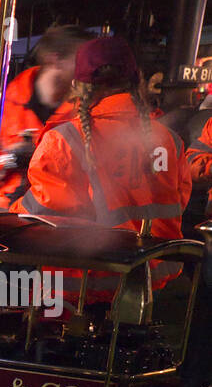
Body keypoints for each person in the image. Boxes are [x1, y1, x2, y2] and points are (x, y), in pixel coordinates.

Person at [12, 34, 191, 241]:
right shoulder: (170, 140)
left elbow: (36, 216)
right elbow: (180, 200)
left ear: (77, 85)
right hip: (161, 269)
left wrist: (6, 213)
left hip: (89, 271)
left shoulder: (62, 141)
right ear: (137, 80)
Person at [0, 25, 91, 211]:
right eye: (81, 61)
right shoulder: (5, 105)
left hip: (55, 209)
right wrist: (12, 158)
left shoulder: (84, 109)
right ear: (56, 59)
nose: (88, 69)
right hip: (5, 207)